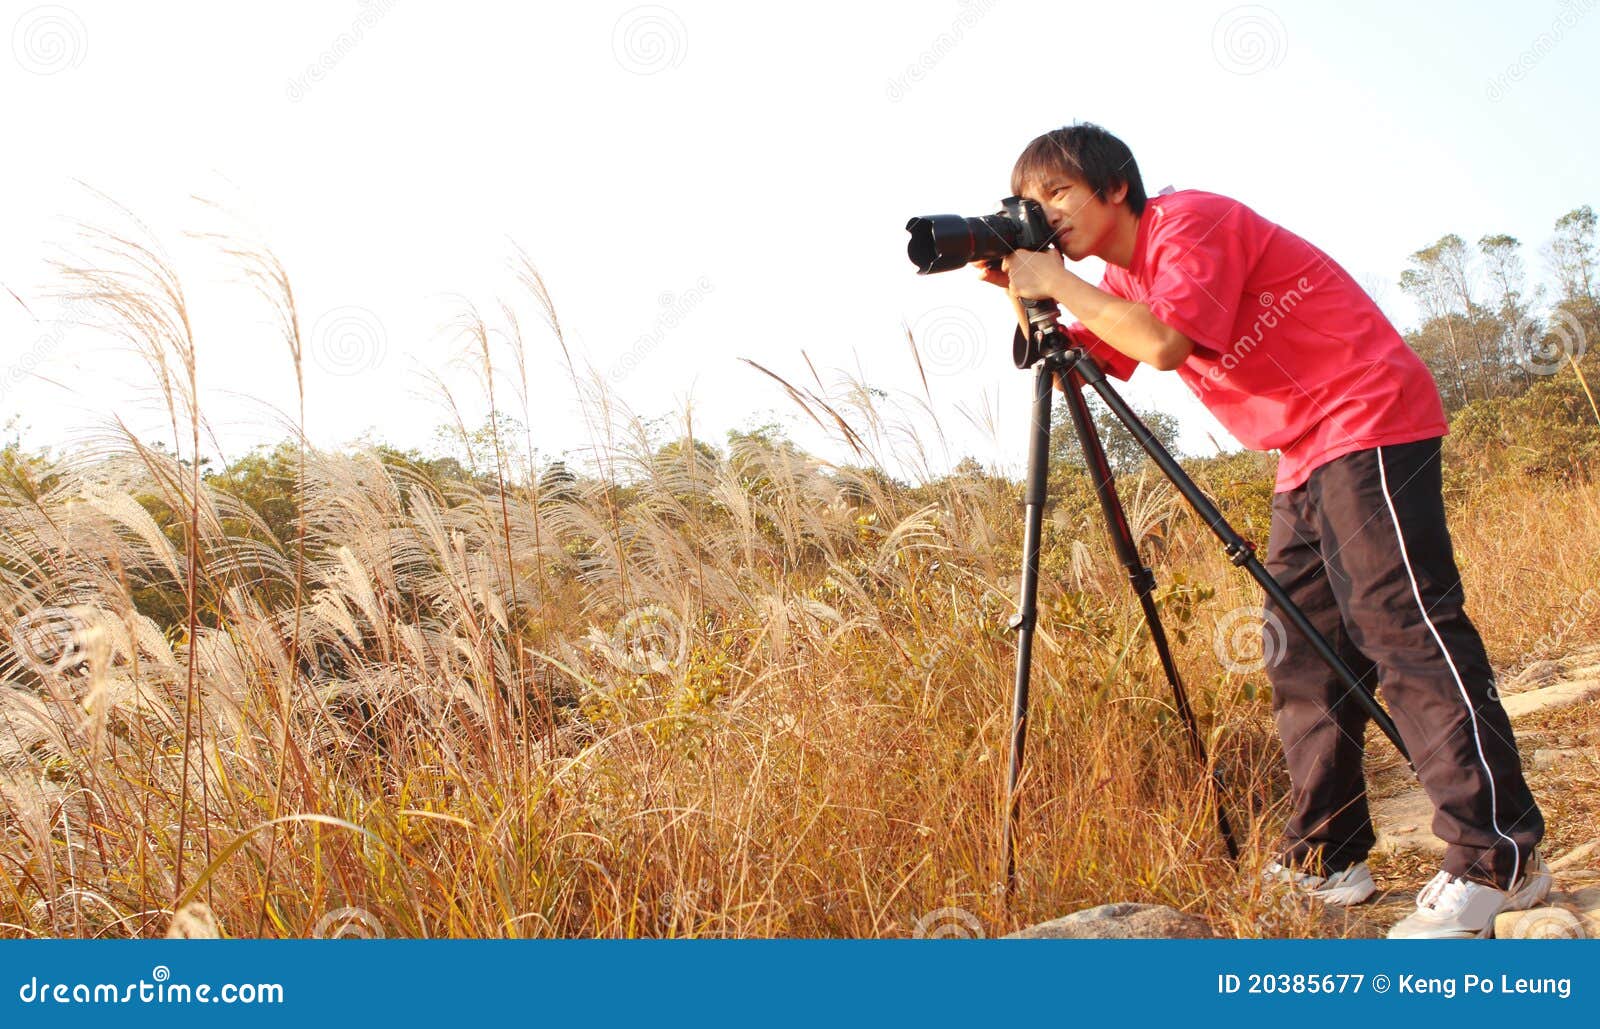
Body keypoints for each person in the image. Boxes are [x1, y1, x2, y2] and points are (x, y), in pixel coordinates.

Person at [976, 122, 1549, 939]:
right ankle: (1327, 856)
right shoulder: (1120, 275)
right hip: (1303, 451)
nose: (1045, 211)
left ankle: (1499, 858)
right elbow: (1083, 356)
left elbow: (1163, 343)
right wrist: (1021, 286)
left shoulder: (1188, 222)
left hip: (1367, 415)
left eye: (1057, 191)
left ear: (1115, 186)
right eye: (1029, 202)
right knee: (1301, 654)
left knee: (1405, 631)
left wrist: (1060, 281)